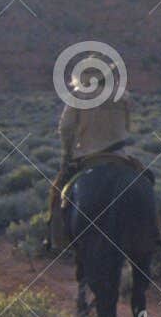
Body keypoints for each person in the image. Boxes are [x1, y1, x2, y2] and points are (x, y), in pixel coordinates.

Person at [48, 59, 132, 253]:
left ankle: (56, 240)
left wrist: (67, 154)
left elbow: (66, 128)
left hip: (87, 157)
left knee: (57, 192)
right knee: (147, 181)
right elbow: (128, 128)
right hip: (120, 156)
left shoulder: (79, 95)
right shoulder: (124, 97)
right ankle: (156, 236)